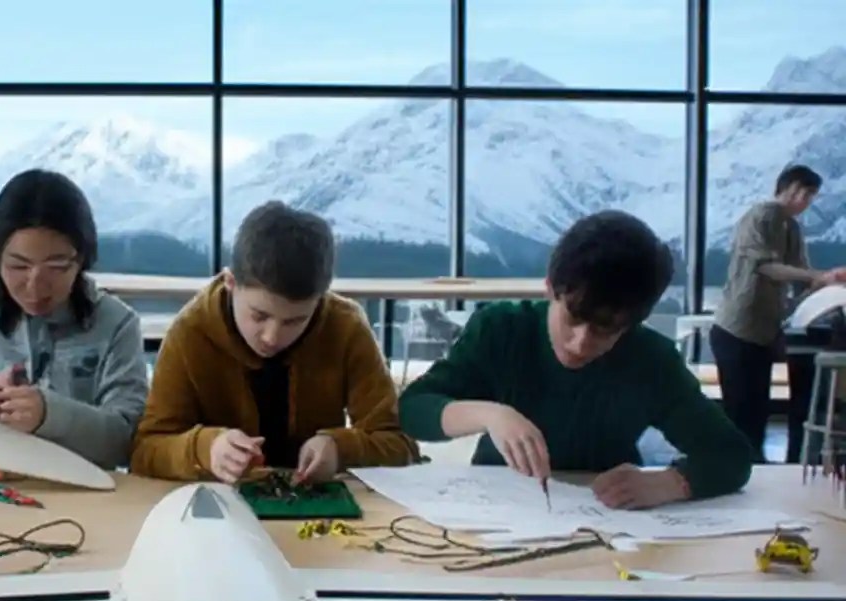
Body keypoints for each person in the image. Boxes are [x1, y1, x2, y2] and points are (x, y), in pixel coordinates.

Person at [398, 209, 752, 508]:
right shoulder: (502, 330)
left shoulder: (651, 360)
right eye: (572, 318)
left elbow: (730, 455)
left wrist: (673, 483)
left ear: (633, 323)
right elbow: (414, 409)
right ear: (551, 287)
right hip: (498, 504)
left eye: (606, 330)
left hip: (608, 513)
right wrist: (489, 414)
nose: (581, 342)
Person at [130, 200, 418, 484]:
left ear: (321, 300)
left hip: (319, 511)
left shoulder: (346, 326)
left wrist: (341, 448)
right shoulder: (190, 332)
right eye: (259, 316)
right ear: (230, 283)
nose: (272, 337)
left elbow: (399, 445)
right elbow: (145, 451)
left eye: (295, 321)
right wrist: (205, 449)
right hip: (220, 512)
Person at [0, 168, 149, 470]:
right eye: (18, 266)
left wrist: (50, 414)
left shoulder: (116, 324)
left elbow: (128, 442)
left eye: (57, 266)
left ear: (82, 259)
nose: (35, 286)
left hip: (85, 501)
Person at [710, 164, 846, 463]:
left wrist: (827, 280)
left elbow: (802, 280)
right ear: (792, 188)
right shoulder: (763, 215)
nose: (807, 201)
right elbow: (768, 268)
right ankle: (734, 473)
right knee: (742, 415)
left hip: (763, 335)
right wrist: (819, 276)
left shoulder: (792, 228)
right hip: (738, 330)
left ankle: (755, 478)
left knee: (757, 414)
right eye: (807, 193)